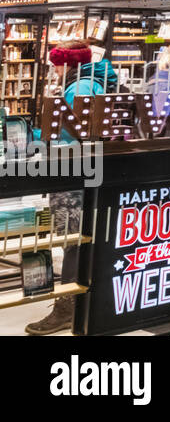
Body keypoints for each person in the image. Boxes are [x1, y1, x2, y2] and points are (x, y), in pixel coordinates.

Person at [25, 42, 119, 336]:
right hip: (91, 173)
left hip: (73, 174)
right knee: (84, 240)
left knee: (72, 240)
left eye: (57, 64)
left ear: (69, 64)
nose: (54, 69)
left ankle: (67, 307)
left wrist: (32, 135)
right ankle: (83, 303)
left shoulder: (77, 90)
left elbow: (68, 136)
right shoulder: (97, 84)